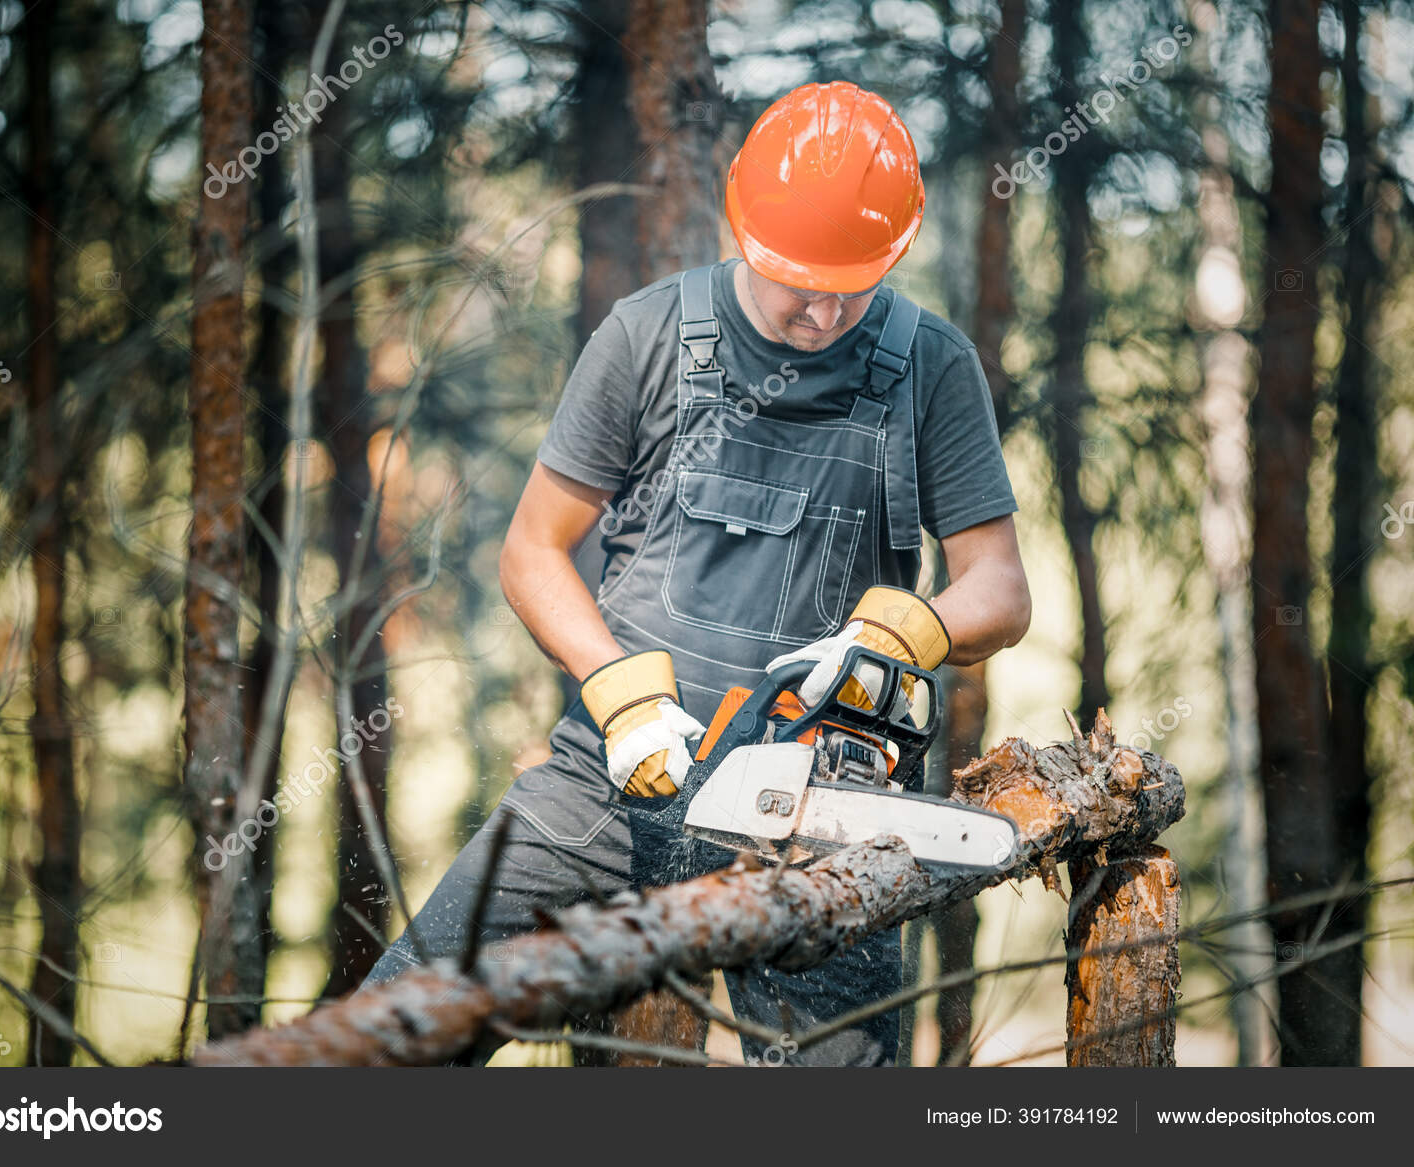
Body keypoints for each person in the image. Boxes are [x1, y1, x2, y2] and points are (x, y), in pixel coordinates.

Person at [364, 80, 1031, 1066]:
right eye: (794, 277)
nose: (816, 308)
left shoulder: (931, 365)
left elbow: (1000, 589)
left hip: (824, 801)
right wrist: (617, 689)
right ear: (741, 224)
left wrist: (907, 632)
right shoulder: (646, 336)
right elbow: (532, 550)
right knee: (407, 1020)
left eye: (847, 284)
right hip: (620, 767)